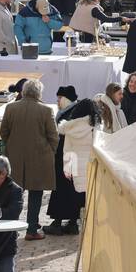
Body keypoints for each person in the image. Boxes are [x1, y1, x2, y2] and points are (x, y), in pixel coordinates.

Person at [0, 79, 58, 241]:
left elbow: (3, 132)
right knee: (36, 194)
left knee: (14, 194)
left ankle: (10, 227)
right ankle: (32, 229)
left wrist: (12, 146)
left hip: (14, 157)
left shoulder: (11, 108)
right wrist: (49, 152)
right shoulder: (46, 110)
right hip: (39, 157)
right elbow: (53, 136)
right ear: (39, 92)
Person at [46, 88, 94, 235]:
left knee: (61, 193)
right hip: (86, 165)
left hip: (69, 163)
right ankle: (73, 223)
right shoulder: (94, 127)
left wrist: (67, 167)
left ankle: (57, 223)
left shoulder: (69, 126)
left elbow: (66, 149)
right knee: (76, 194)